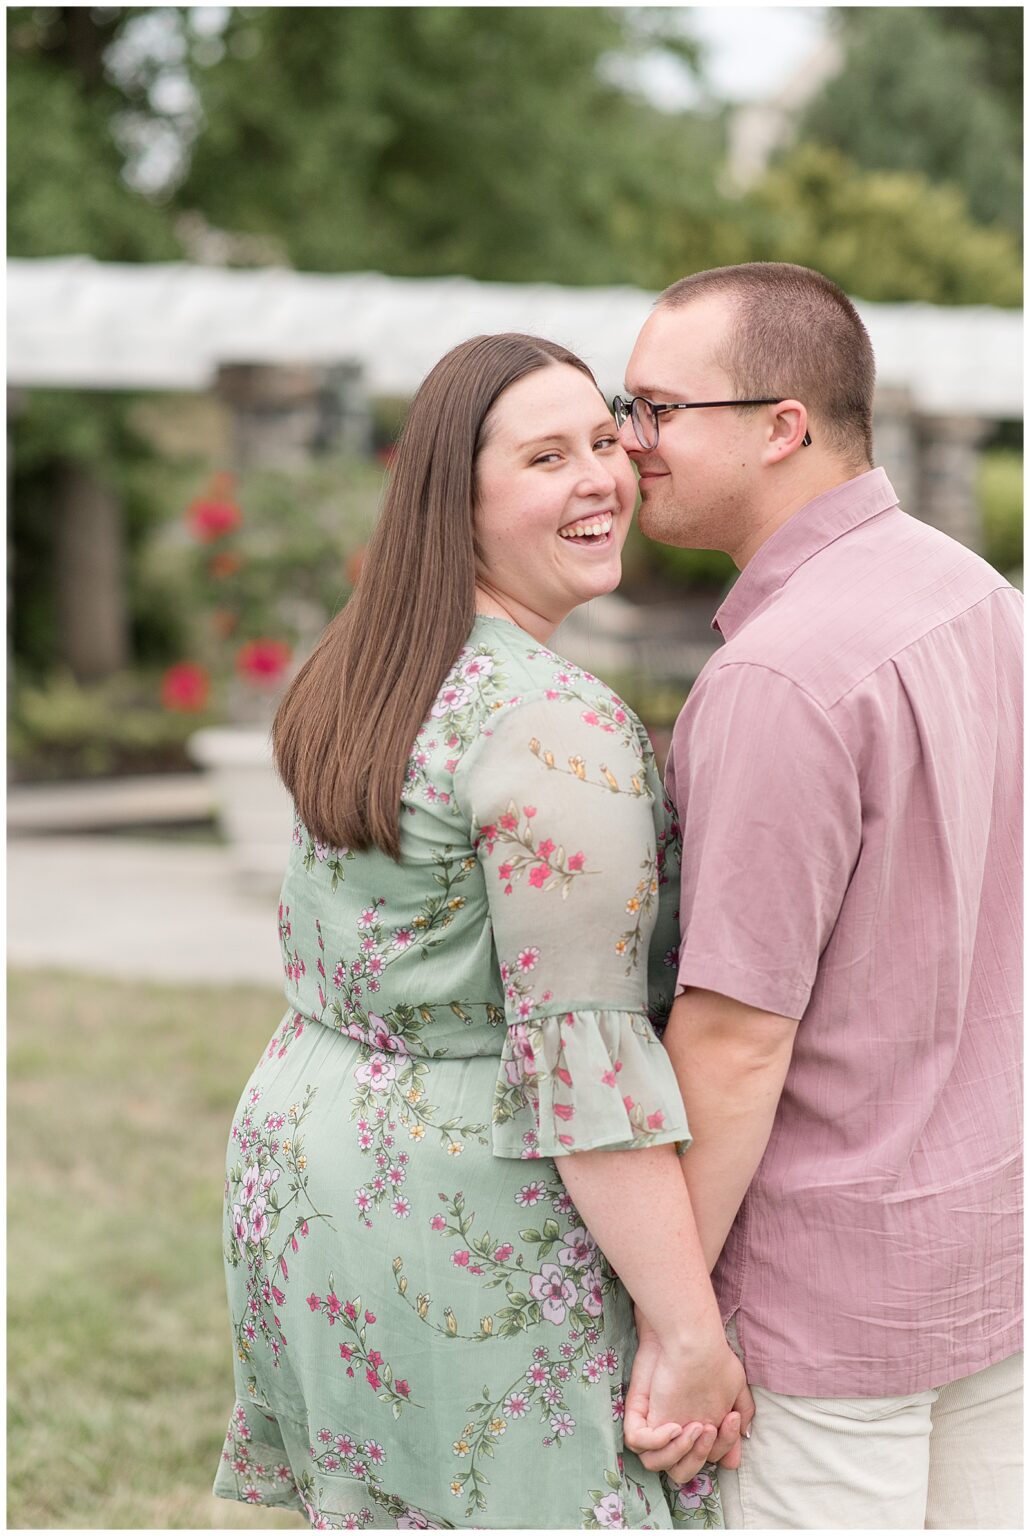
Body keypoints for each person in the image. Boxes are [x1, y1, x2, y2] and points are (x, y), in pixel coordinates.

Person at [213, 332, 751, 1531]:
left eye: (605, 443)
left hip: (313, 1163)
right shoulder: (555, 726)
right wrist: (688, 1333)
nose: (600, 479)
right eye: (546, 457)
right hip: (469, 1205)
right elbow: (580, 1075)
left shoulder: (362, 665)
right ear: (454, 500)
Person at [618, 263, 1023, 1530]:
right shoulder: (982, 597)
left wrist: (673, 1323)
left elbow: (736, 1037)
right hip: (993, 1247)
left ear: (780, 425)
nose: (627, 446)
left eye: (654, 409)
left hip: (825, 1299)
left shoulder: (778, 679)